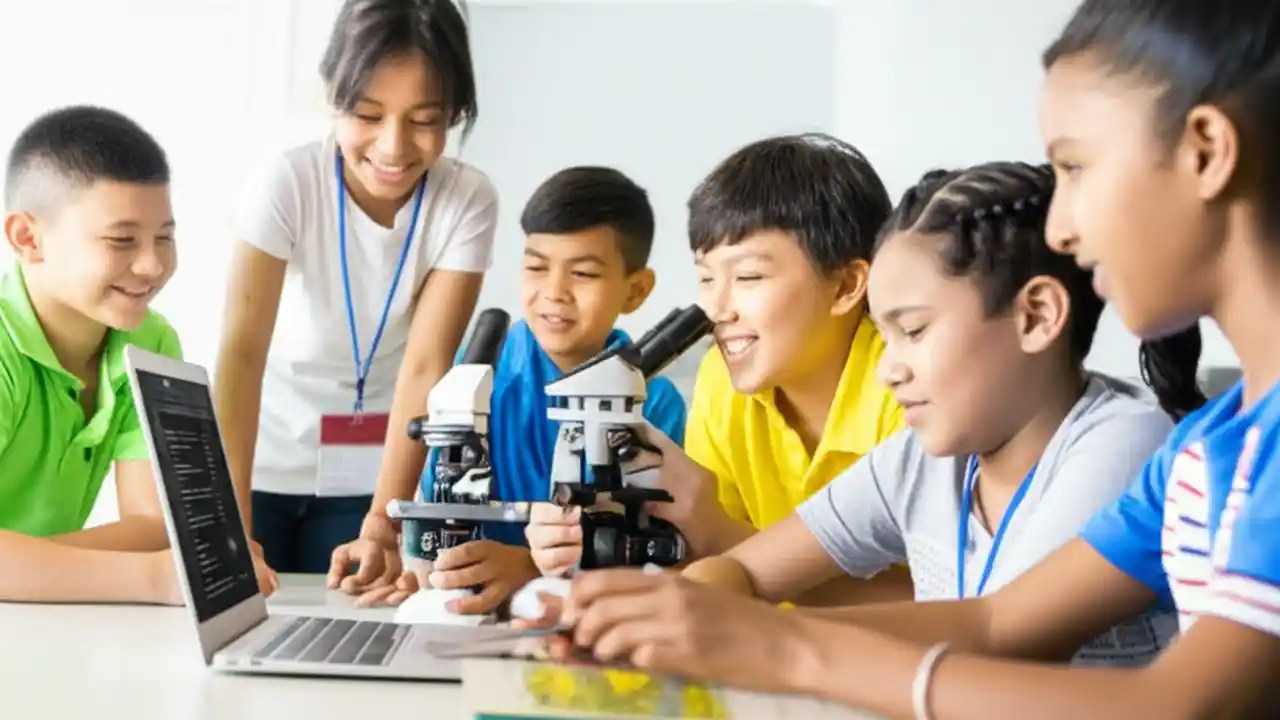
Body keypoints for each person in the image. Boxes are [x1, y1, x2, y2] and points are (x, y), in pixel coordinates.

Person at [552, 1, 1280, 715]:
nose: (1061, 227)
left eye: (1076, 168)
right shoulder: (1200, 450)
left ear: (1206, 151)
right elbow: (996, 621)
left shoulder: (1145, 440)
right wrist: (690, 621)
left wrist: (784, 648)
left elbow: (1184, 703)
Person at [678, 161, 1193, 666]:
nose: (888, 370)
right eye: (885, 337)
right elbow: (742, 571)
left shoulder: (1126, 442)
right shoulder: (920, 461)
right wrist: (692, 603)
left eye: (914, 331)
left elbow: (1002, 639)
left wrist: (761, 631)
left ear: (1036, 316)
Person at [527, 134, 910, 604]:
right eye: (706, 277)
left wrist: (714, 530)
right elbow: (705, 571)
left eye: (748, 277)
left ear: (846, 285)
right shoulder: (722, 380)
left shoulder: (909, 390)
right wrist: (609, 540)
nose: (715, 308)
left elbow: (948, 602)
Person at [215, 0, 497, 577]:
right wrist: (230, 522)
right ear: (331, 96)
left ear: (455, 113)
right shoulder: (286, 182)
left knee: (350, 614)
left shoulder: (467, 200)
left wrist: (382, 524)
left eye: (424, 120)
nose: (393, 147)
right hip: (257, 465)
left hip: (371, 480)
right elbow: (242, 354)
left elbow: (426, 365)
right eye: (368, 115)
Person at [349, 166, 688, 614]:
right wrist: (426, 574)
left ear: (635, 290)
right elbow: (438, 516)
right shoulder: (474, 383)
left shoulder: (656, 405)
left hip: (592, 620)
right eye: (536, 267)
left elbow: (660, 556)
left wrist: (532, 568)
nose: (554, 291)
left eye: (583, 273)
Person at [0, 105, 275, 602]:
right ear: (28, 238)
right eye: (121, 240)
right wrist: (160, 577)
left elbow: (155, 524)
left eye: (164, 237)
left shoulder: (151, 341)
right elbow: (158, 554)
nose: (152, 265)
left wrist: (26, 567)